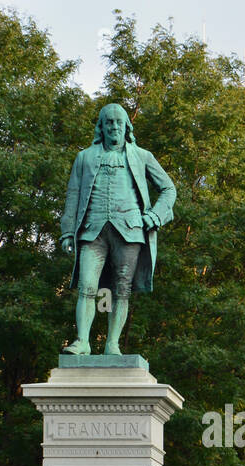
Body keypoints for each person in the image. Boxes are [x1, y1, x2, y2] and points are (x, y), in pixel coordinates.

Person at [59, 103, 177, 356]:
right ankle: (83, 341)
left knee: (121, 289)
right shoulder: (85, 157)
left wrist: (155, 215)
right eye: (109, 122)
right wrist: (68, 231)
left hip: (130, 230)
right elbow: (73, 195)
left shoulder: (142, 156)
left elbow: (168, 188)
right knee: (87, 286)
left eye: (118, 122)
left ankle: (112, 343)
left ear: (126, 127)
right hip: (92, 230)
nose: (114, 126)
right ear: (101, 126)